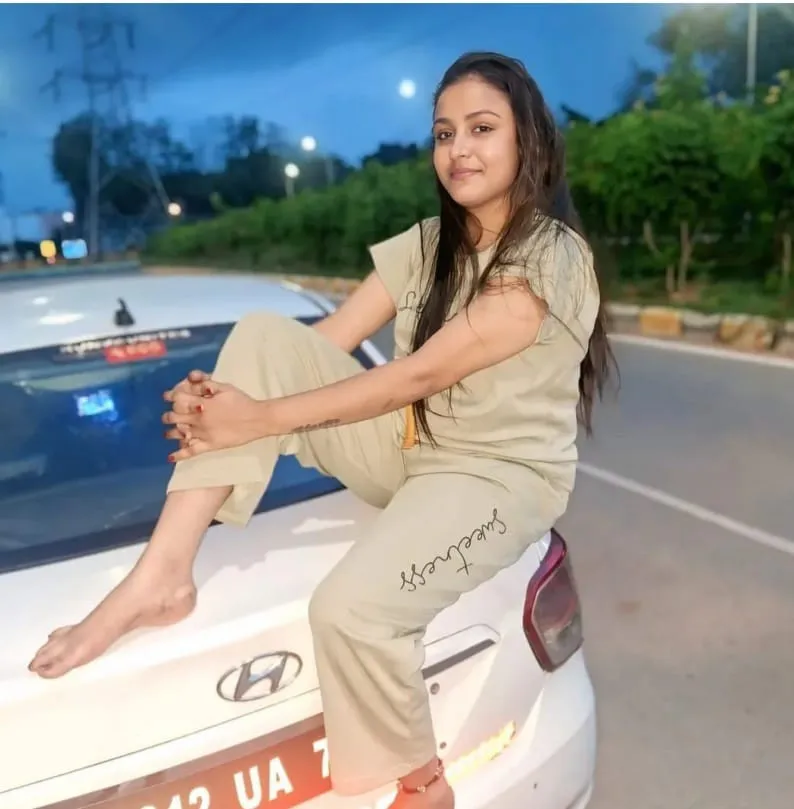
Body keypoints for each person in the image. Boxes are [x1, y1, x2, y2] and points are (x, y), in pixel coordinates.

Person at [29, 51, 616, 808]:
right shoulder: (429, 244)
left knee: (350, 609)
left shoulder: (553, 256)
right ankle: (161, 577)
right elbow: (324, 345)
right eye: (444, 133)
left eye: (480, 129)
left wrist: (256, 418)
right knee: (263, 334)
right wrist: (218, 400)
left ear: (527, 139)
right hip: (414, 446)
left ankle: (424, 784)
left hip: (496, 480)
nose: (457, 150)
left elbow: (415, 376)